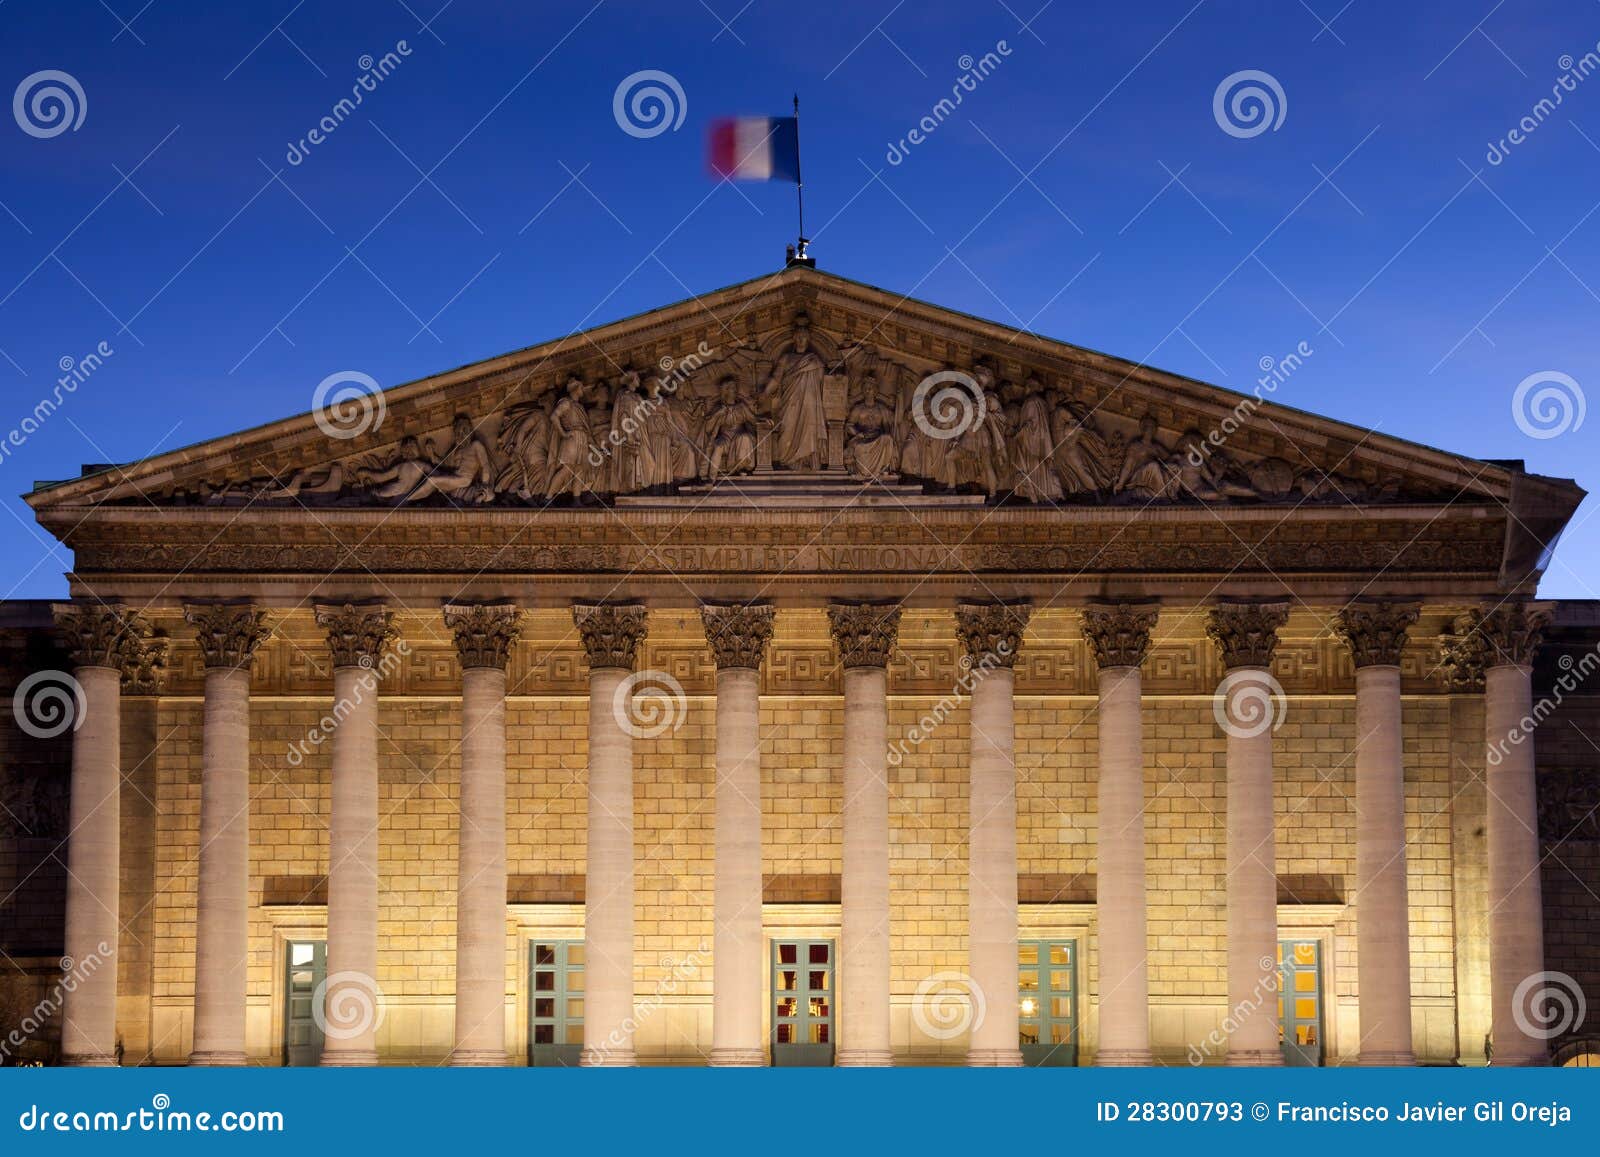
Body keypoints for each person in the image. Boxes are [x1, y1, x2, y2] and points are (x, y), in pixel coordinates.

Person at [760, 314, 827, 470]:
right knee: (787, 426)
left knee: (810, 429)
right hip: (790, 401)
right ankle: (787, 460)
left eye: (804, 336)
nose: (801, 339)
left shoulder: (815, 360)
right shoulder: (786, 358)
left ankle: (806, 459)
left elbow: (825, 383)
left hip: (810, 401)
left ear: (808, 338)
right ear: (794, 338)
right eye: (799, 336)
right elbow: (776, 379)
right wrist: (764, 393)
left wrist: (839, 378)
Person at [546, 378, 595, 498]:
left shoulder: (580, 406)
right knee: (566, 469)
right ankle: (548, 497)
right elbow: (554, 416)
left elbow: (586, 428)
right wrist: (563, 433)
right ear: (575, 389)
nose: (583, 389)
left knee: (580, 470)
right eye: (581, 387)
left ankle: (576, 499)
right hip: (572, 438)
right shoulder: (567, 403)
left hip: (582, 438)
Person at [844, 372, 898, 480]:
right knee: (858, 448)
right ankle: (863, 472)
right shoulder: (858, 409)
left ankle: (883, 469)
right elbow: (848, 425)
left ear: (876, 391)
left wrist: (899, 399)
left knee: (887, 439)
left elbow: (895, 420)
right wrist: (857, 433)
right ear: (863, 391)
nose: (868, 391)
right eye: (866, 388)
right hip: (862, 439)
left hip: (878, 439)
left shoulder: (881, 409)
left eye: (871, 388)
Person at [703, 376, 757, 478]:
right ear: (726, 390)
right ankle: (710, 478)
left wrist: (764, 421)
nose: (735, 390)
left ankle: (742, 468)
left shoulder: (741, 407)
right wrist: (718, 414)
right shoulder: (719, 408)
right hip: (725, 438)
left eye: (736, 387)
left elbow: (753, 419)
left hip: (738, 435)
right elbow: (708, 428)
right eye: (732, 388)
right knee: (718, 446)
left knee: (744, 437)